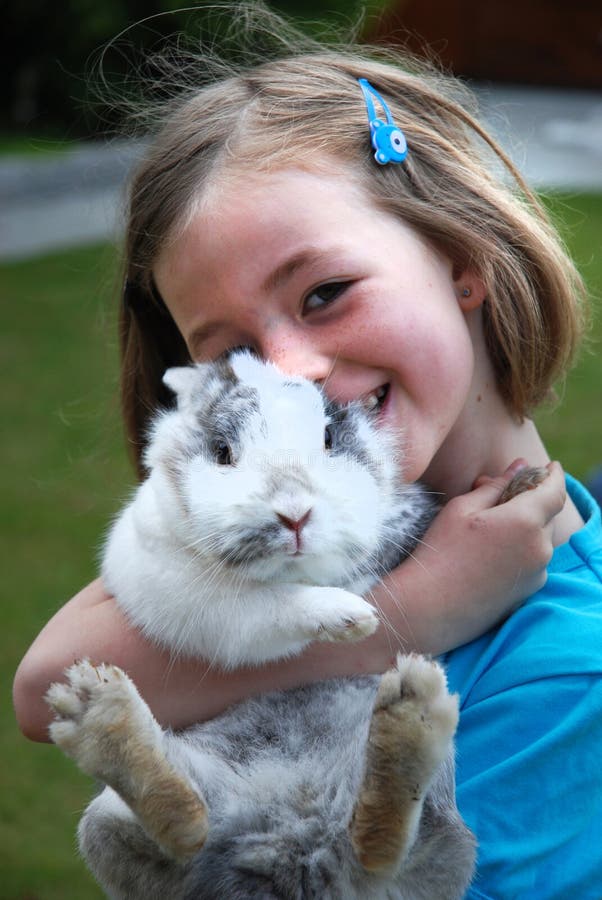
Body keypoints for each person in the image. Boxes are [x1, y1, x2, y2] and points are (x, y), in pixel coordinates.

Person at [13, 7, 602, 897]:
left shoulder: (565, 680)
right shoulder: (286, 525)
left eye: (324, 292)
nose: (290, 375)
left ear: (462, 257)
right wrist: (420, 608)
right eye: (230, 353)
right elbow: (48, 686)